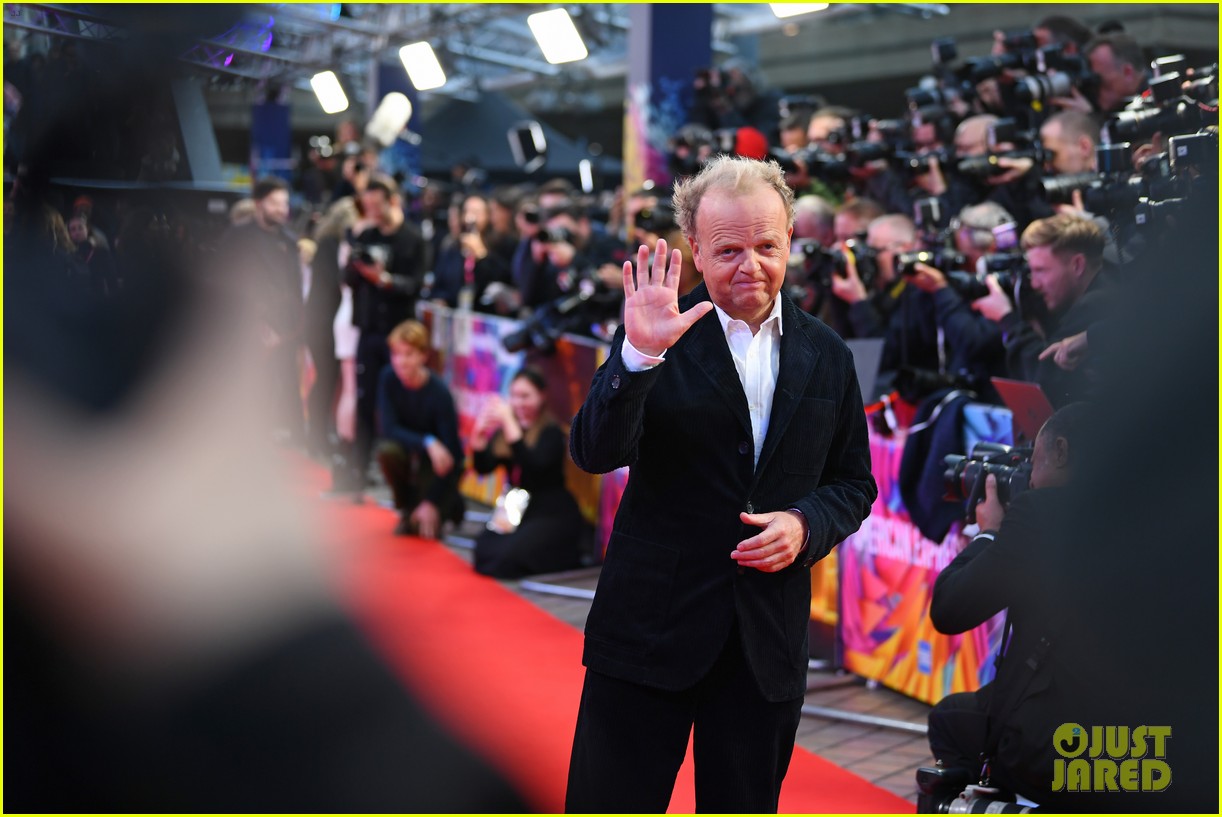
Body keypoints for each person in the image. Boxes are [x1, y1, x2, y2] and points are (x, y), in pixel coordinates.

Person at [565, 155, 876, 812]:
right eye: (729, 249)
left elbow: (852, 482)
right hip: (648, 629)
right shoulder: (660, 332)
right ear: (696, 251)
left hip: (764, 644)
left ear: (791, 238)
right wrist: (638, 357)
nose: (751, 265)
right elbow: (595, 451)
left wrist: (804, 524)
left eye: (767, 246)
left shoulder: (829, 355)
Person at [926, 403, 1091, 807]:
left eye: (1033, 462)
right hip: (1149, 744)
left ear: (1062, 452)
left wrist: (989, 533)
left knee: (949, 719)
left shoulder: (1040, 515)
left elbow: (950, 609)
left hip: (1062, 743)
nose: (1029, 479)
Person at [341, 174, 428, 498]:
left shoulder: (413, 239)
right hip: (369, 330)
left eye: (378, 206)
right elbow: (348, 280)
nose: (373, 213)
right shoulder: (366, 235)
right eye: (368, 207)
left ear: (393, 201)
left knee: (400, 405)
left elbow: (417, 285)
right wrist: (357, 259)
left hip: (399, 334)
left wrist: (386, 279)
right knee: (364, 402)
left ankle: (406, 481)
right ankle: (357, 475)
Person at [971, 214, 1111, 407]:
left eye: (1041, 271)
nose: (1034, 283)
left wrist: (1007, 318)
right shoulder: (1095, 290)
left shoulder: (1097, 304)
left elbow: (1042, 379)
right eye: (1031, 272)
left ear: (1077, 265)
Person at [469, 367, 586, 579]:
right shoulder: (508, 430)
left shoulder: (551, 432)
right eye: (513, 396)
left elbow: (534, 468)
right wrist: (478, 440)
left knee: (508, 557)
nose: (518, 403)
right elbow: (483, 468)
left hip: (551, 511)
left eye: (525, 396)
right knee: (483, 550)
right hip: (517, 508)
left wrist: (509, 425)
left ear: (541, 396)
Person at [374, 319, 464, 540]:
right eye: (396, 354)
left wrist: (431, 502)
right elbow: (388, 428)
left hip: (437, 463)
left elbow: (452, 454)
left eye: (409, 354)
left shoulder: (440, 394)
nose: (401, 362)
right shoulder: (388, 378)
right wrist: (428, 441)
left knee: (424, 531)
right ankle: (405, 507)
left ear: (423, 356)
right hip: (414, 447)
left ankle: (451, 504)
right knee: (387, 451)